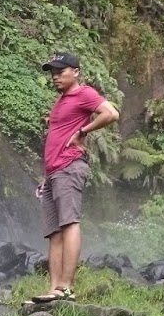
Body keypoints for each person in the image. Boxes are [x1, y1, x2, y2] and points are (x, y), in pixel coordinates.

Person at [33, 52, 119, 303]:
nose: (55, 77)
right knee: (54, 232)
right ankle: (54, 289)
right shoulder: (61, 101)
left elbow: (111, 113)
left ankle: (67, 287)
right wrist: (46, 176)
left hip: (69, 167)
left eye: (61, 71)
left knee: (69, 223)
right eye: (52, 73)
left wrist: (83, 131)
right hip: (53, 173)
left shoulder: (84, 94)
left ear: (76, 72)